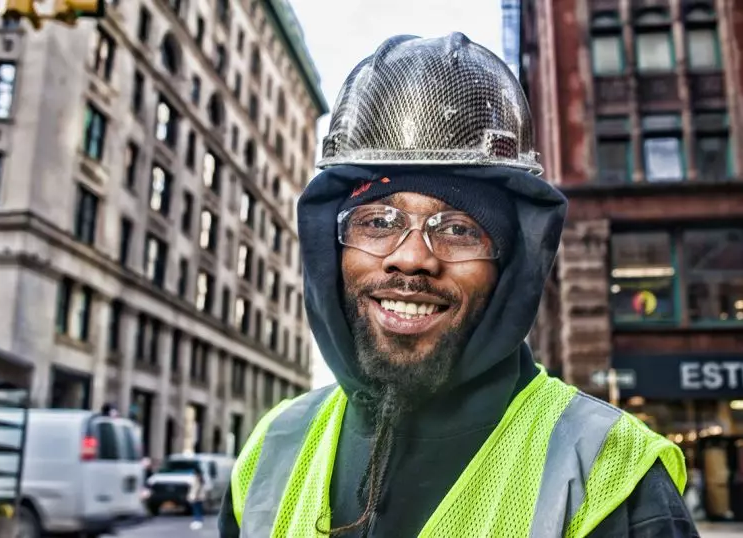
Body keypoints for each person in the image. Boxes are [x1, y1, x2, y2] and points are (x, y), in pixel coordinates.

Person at [219, 33, 699, 537]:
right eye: (378, 223)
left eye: (458, 229)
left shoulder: (611, 476)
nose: (411, 258)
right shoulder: (270, 449)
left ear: (507, 268)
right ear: (334, 250)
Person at [188, 466, 207, 530]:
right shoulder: (201, 478)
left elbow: (196, 488)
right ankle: (199, 520)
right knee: (198, 508)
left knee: (196, 509)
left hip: (197, 496)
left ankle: (197, 520)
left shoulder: (197, 478)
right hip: (200, 496)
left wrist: (195, 496)